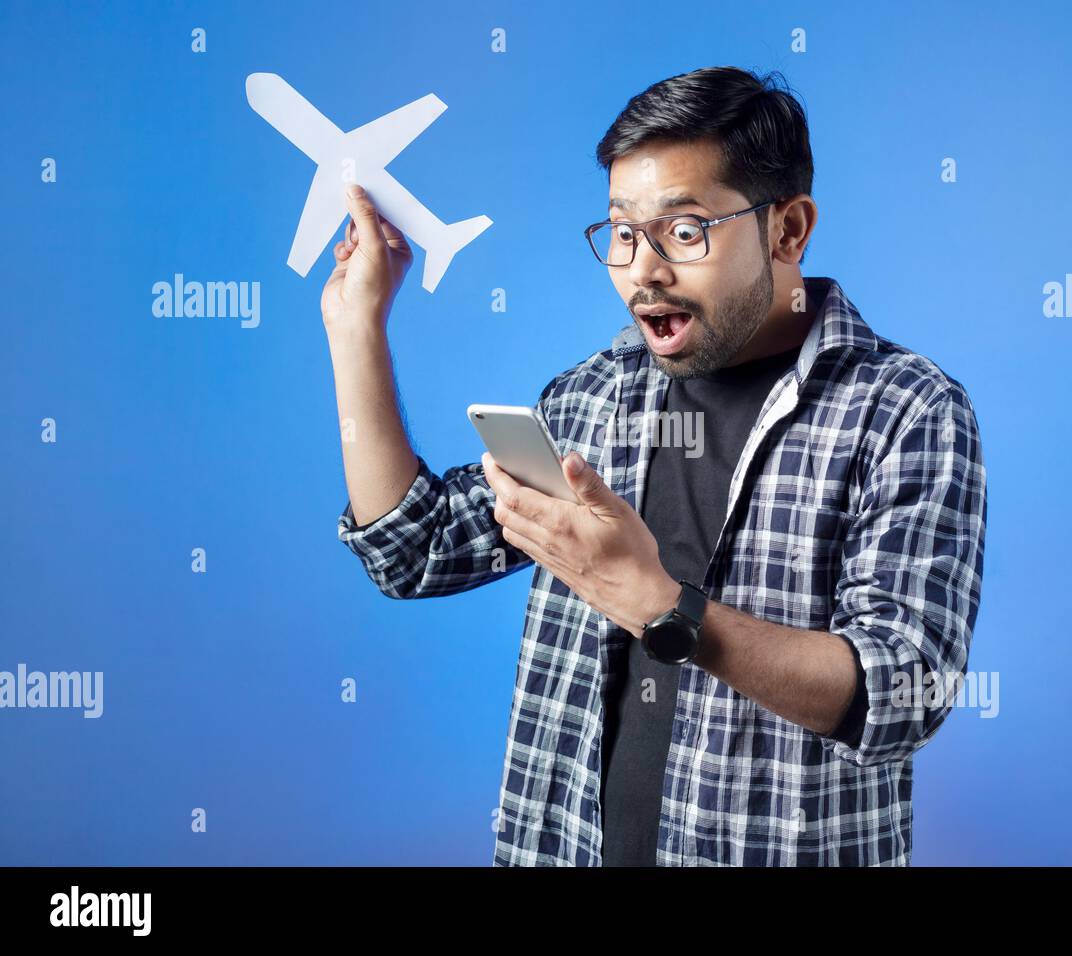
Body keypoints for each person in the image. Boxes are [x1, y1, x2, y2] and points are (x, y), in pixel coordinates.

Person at [327, 66, 987, 866]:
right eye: (622, 233)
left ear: (788, 229)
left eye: (683, 231)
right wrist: (356, 322)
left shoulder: (901, 409)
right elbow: (415, 550)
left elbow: (902, 690)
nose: (642, 270)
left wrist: (658, 606)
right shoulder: (591, 398)